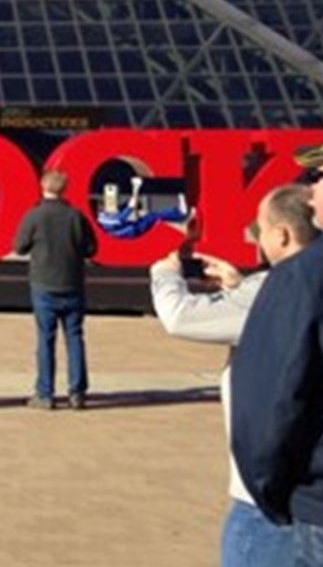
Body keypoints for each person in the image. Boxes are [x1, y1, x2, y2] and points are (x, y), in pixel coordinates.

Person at [152, 184, 320, 567]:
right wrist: (237, 286)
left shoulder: (273, 289)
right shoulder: (318, 279)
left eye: (261, 229)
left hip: (268, 493)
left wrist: (165, 274)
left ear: (281, 235)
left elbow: (180, 317)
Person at [231, 140, 323, 567]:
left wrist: (274, 495)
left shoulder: (308, 275)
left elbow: (270, 406)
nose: (310, 195)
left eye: (320, 178)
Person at [14, 168, 97, 410]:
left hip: (43, 284)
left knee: (45, 339)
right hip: (72, 283)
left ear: (43, 187)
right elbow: (92, 249)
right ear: (64, 190)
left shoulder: (33, 216)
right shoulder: (76, 216)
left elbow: (19, 247)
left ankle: (45, 393)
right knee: (75, 338)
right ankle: (77, 392)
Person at [97, 175, 193, 239]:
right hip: (134, 230)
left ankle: (180, 216)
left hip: (130, 227)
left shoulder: (104, 217)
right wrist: (136, 187)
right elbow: (130, 207)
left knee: (151, 217)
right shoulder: (108, 219)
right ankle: (181, 214)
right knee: (152, 217)